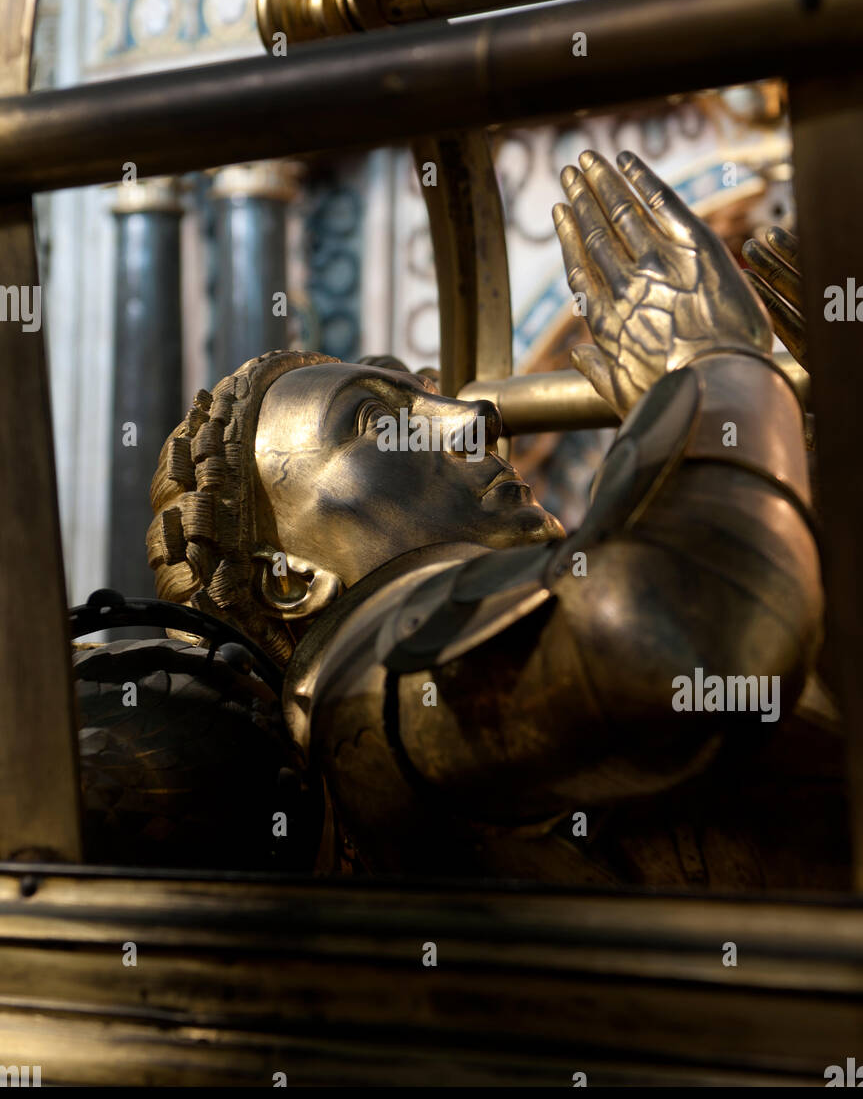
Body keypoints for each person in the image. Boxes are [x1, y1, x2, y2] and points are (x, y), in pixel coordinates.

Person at [123, 149, 843, 886]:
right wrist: (717, 371)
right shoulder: (366, 680)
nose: (470, 417)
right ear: (290, 581)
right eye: (375, 421)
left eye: (430, 393)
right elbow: (676, 635)